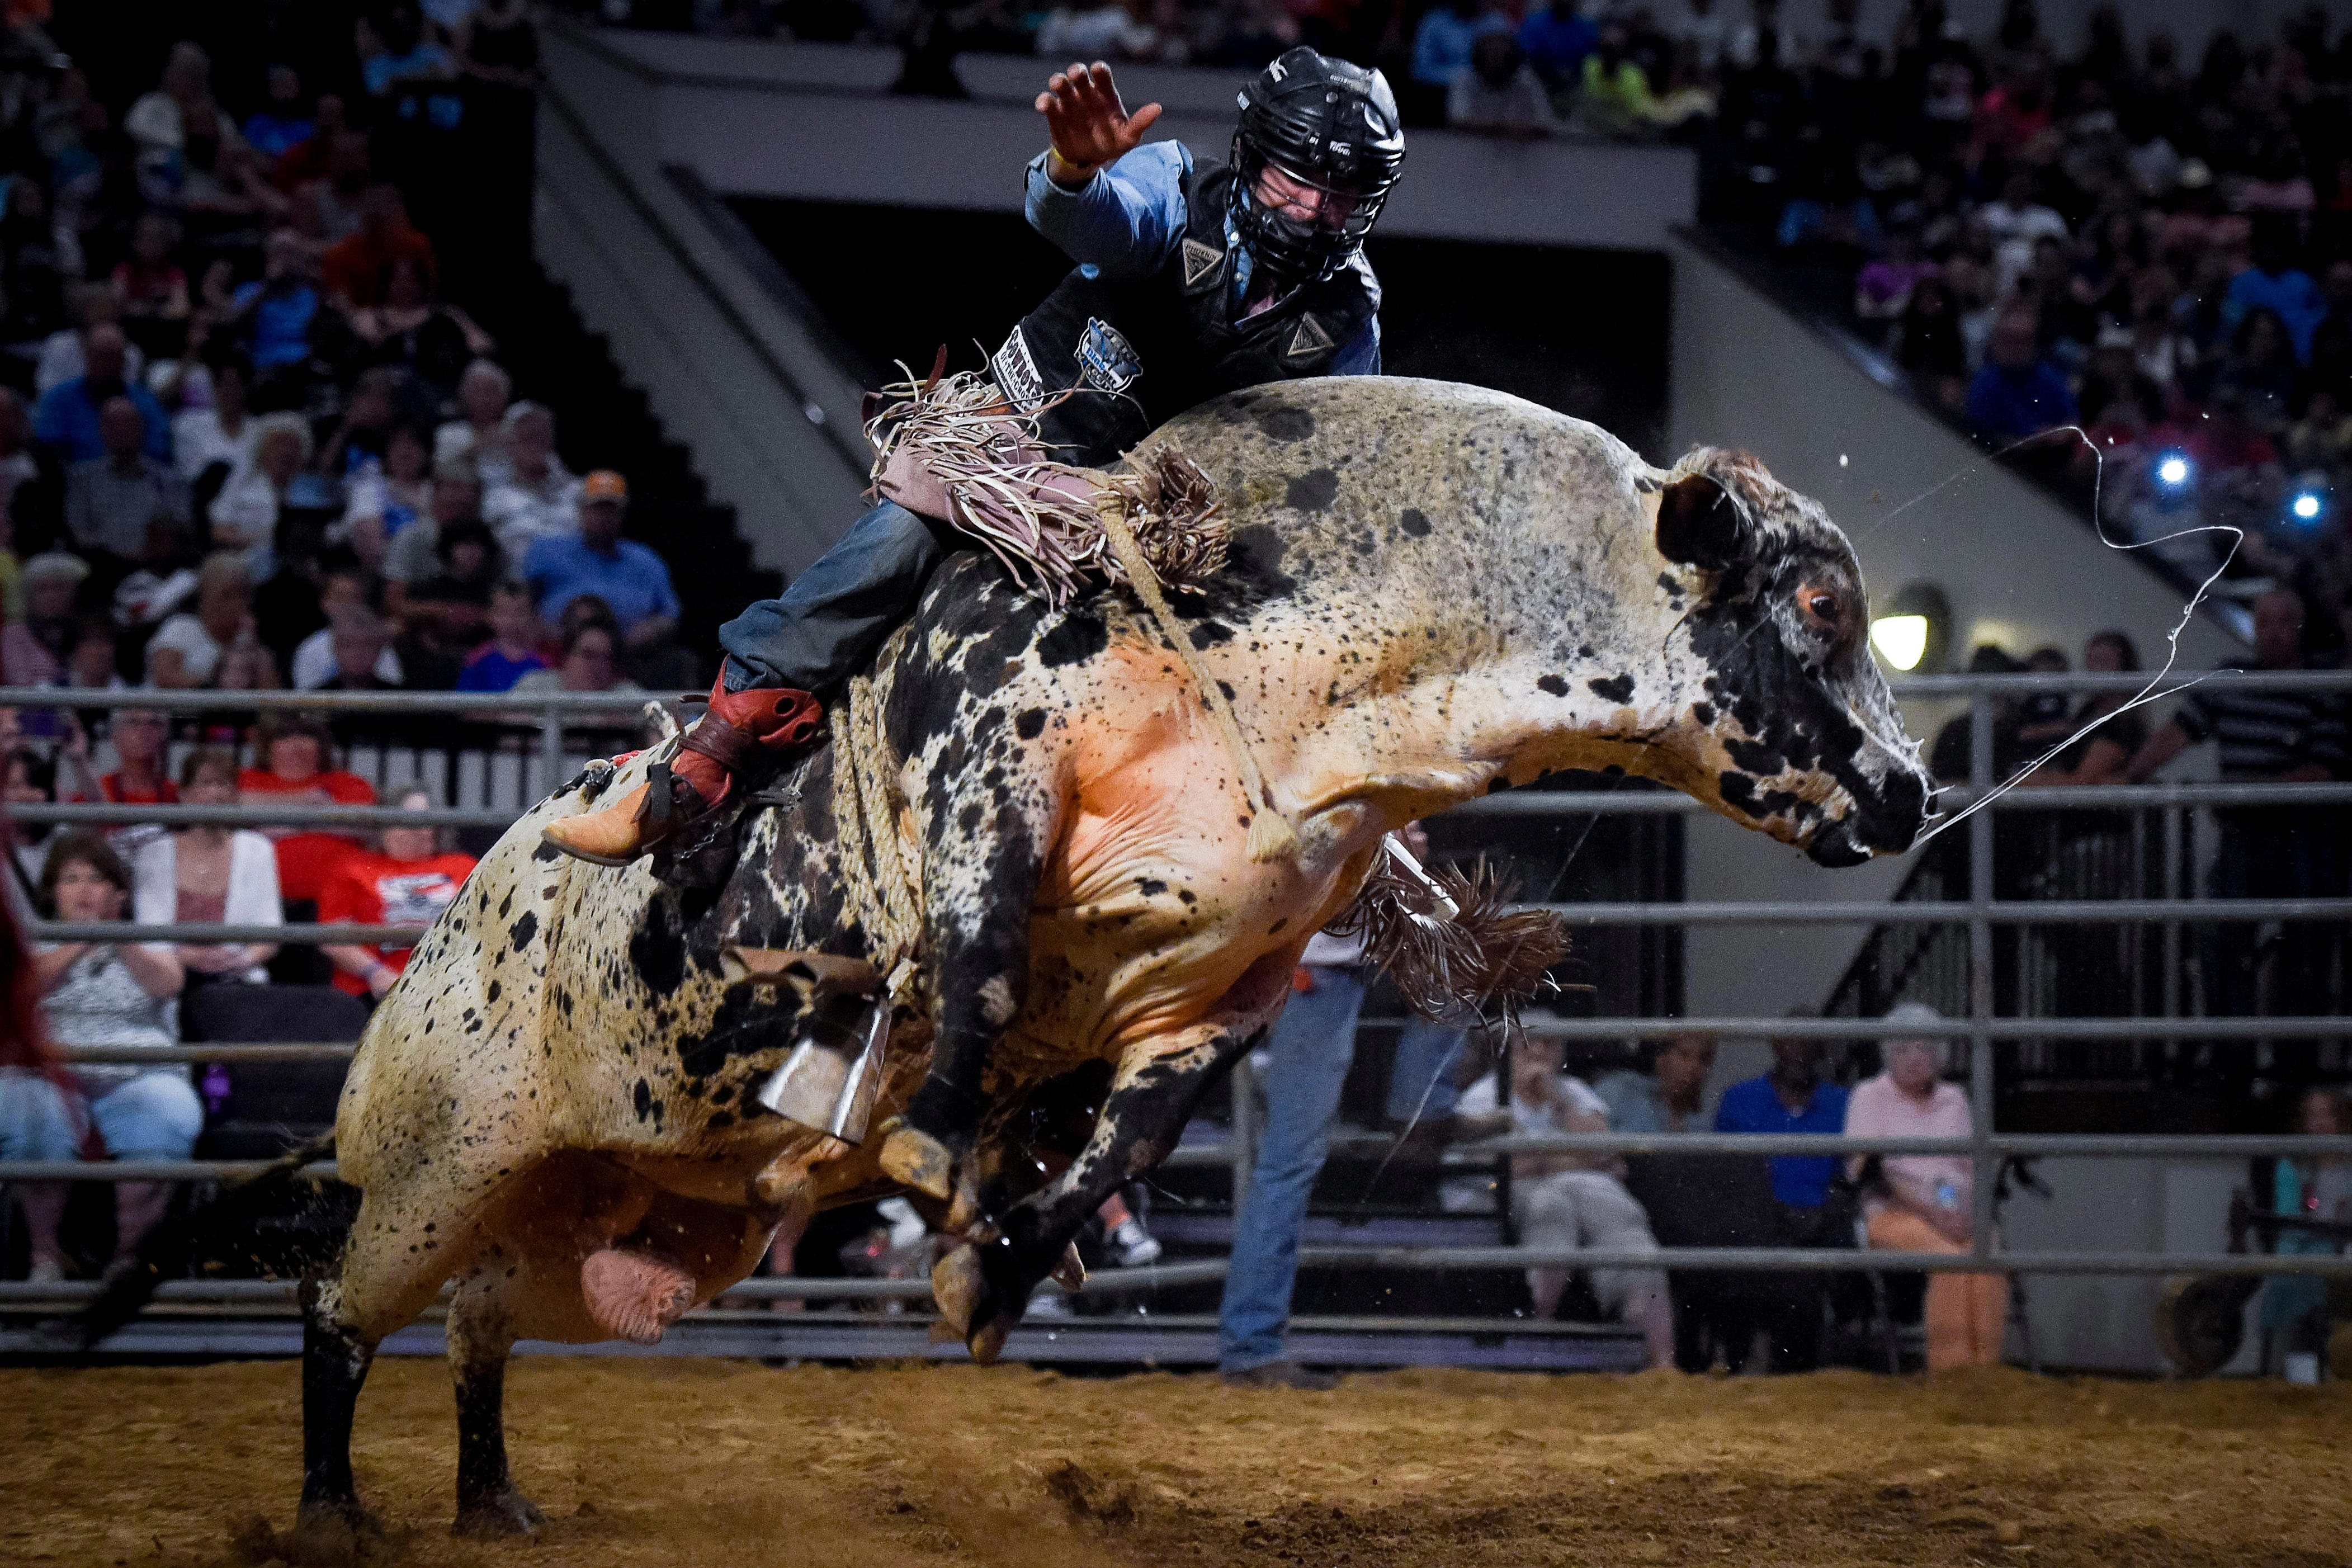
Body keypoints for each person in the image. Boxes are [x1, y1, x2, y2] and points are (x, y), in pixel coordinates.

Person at [546, 48, 1408, 1185]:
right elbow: (1096, 221)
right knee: (896, 542)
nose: (1321, 206)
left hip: (1154, 536)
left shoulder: (1348, 315)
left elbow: (1324, 463)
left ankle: (1093, 1051)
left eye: (1348, 189)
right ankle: (717, 750)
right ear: (1257, 158)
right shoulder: (1169, 184)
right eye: (1305, 178)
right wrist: (1073, 169)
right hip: (1019, 456)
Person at [2126, 590, 2347, 1027]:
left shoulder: (2323, 684)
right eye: (2264, 622)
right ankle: (2234, 1055)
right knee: (2218, 935)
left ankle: (2293, 1063)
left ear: (2300, 627)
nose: (2273, 632)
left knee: (2306, 942)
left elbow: (2324, 771)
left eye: (2284, 621)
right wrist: (2133, 775)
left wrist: (2243, 795)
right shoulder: (2231, 677)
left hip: (2302, 835)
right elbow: (2178, 732)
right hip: (2244, 833)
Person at [20, 832, 196, 1271]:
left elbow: (167, 984)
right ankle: (45, 1258)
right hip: (50, 1071)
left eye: (95, 879)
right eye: (71, 878)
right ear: (53, 892)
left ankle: (128, 1261)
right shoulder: (33, 941)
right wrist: (79, 943)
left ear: (118, 894)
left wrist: (116, 937)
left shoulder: (145, 939)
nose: (83, 889)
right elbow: (20, 991)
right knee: (29, 1120)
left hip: (140, 1069)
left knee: (167, 1114)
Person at [1455, 1031, 1676, 1367]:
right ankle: (1537, 1341)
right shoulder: (1485, 1095)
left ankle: (1662, 1363)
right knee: (1551, 1207)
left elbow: (1608, 1156)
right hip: (1510, 1193)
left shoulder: (1572, 1091)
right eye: (1529, 1041)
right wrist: (1572, 1156)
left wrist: (1557, 1103)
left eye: (1550, 1043)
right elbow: (1507, 1167)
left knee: (1624, 1220)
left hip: (1585, 1186)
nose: (1540, 1051)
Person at [1844, 1002, 2006, 1370]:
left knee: (1987, 1252)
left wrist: (1957, 1209)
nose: (1916, 1057)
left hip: (1950, 1206)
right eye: (1903, 1049)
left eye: (1926, 1047)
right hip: (1893, 1212)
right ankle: (1952, 1374)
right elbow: (1868, 1171)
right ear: (1887, 1054)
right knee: (1948, 1259)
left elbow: (1965, 1170)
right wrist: (1932, 1210)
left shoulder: (1954, 1100)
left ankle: (1987, 1372)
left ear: (1941, 1053)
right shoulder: (1870, 1096)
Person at [132, 748, 282, 985]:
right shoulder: (155, 852)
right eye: (206, 784)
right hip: (170, 978)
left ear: (234, 796)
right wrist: (190, 957)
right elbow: (150, 935)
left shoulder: (257, 849)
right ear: (184, 794)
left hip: (237, 978)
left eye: (223, 785)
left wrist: (240, 961)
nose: (216, 794)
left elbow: (269, 935)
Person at [318, 786, 476, 1002]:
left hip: (449, 986)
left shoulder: (464, 866)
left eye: (428, 821)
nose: (423, 830)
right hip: (375, 988)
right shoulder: (352, 868)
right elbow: (333, 937)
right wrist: (377, 973)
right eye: (411, 821)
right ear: (387, 825)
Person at [521, 470, 678, 650]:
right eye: (597, 508)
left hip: (629, 653)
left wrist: (650, 630)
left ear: (622, 514)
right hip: (560, 651)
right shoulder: (548, 551)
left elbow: (669, 614)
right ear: (582, 510)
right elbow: (524, 603)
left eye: (610, 510)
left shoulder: (645, 559)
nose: (603, 517)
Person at [236, 712, 378, 908]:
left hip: (338, 899)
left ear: (321, 745)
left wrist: (276, 823)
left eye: (306, 736)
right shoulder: (246, 780)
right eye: (283, 737)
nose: (297, 745)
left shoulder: (348, 783)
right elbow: (231, 810)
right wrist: (312, 806)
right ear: (266, 747)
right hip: (259, 898)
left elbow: (366, 828)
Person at [2261, 1086, 2349, 1380]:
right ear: (2303, 1124)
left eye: (2327, 1115)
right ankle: (2304, 1377)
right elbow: (2288, 1223)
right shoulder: (2291, 1168)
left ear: (2341, 1120)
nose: (2321, 1124)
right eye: (2313, 1117)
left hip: (2346, 1247)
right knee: (2297, 1281)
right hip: (2305, 1246)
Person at [64, 395, 188, 561]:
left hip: (157, 566)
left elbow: (181, 529)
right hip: (100, 566)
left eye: (128, 424)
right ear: (102, 429)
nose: (122, 431)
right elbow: (77, 531)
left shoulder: (170, 481)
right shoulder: (81, 479)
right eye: (114, 425)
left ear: (141, 428)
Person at [34, 322, 169, 466]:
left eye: (115, 357)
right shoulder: (59, 399)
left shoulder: (145, 400)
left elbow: (159, 449)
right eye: (103, 357)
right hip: (76, 480)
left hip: (135, 479)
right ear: (88, 357)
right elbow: (49, 447)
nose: (109, 364)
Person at [145, 552, 279, 689]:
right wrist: (215, 688)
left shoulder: (250, 642)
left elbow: (272, 698)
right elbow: (164, 677)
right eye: (226, 595)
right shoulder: (180, 627)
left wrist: (251, 647)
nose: (236, 603)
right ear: (204, 595)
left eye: (242, 594)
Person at [479, 402, 577, 563]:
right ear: (510, 446)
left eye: (541, 437)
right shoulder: (493, 496)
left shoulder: (577, 491)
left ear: (551, 443)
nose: (535, 444)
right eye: (526, 438)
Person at [1966, 308, 2079, 446]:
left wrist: (2058, 435)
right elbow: (1982, 437)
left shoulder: (2050, 378)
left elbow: (2072, 420)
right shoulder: (1984, 384)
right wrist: (2029, 442)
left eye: (2023, 340)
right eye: (2008, 338)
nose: (2014, 347)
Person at [1597, 1031, 1716, 1134]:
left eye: (1704, 1060)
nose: (1694, 1066)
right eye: (1684, 1055)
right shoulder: (1621, 1089)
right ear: (1661, 1058)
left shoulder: (1701, 1125)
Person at [2, 554, 89, 687]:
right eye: (43, 589)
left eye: (59, 588)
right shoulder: (13, 634)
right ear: (30, 595)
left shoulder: (87, 631)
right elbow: (19, 683)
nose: (52, 596)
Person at [456, 580, 546, 693]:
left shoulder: (543, 660)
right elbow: (466, 704)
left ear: (532, 616)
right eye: (504, 613)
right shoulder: (478, 659)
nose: (512, 621)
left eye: (520, 613)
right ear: (490, 616)